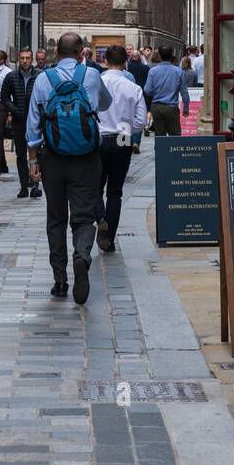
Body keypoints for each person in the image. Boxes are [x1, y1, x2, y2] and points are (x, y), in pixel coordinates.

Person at [26, 31, 112, 304]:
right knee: (84, 216)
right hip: (86, 158)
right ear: (81, 53)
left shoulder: (42, 79)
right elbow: (105, 104)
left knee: (55, 218)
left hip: (52, 158)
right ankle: (82, 257)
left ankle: (59, 279)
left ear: (55, 54)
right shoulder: (90, 76)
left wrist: (32, 159)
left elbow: (33, 123)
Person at [97, 46, 146, 255]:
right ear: (125, 62)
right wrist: (127, 129)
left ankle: (100, 218)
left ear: (105, 61)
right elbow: (141, 121)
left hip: (99, 138)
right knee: (115, 192)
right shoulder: (132, 87)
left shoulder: (96, 83)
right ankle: (109, 238)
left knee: (95, 187)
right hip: (122, 138)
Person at [1, 48, 42, 200]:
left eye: (28, 58)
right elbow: (4, 97)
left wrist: (39, 111)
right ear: (19, 59)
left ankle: (35, 185)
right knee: (20, 154)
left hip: (35, 120)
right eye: (22, 58)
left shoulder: (39, 76)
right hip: (19, 121)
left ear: (32, 60)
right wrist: (15, 110)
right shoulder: (11, 77)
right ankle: (24, 185)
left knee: (35, 153)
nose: (25, 61)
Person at [144, 44, 190, 136]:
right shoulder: (178, 71)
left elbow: (147, 90)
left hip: (157, 107)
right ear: (171, 55)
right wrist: (186, 107)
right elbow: (184, 91)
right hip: (172, 107)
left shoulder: (153, 71)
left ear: (160, 56)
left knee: (160, 135)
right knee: (175, 136)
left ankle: (161, 150)